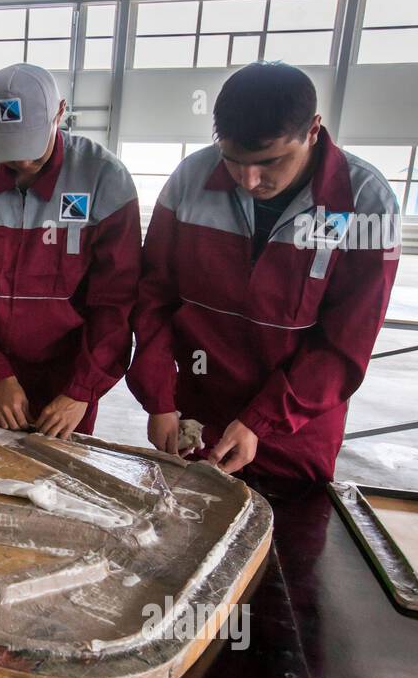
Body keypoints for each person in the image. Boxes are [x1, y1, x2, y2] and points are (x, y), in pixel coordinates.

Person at [127, 62, 401, 482]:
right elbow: (154, 297)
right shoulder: (189, 182)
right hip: (196, 415)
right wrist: (160, 398)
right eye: (234, 161)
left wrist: (262, 419)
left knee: (289, 538)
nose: (249, 179)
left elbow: (345, 343)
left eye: (270, 161)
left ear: (312, 130)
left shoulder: (365, 202)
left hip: (295, 430)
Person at [0, 63, 142, 440]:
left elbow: (115, 303)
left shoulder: (105, 182)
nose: (24, 163)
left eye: (33, 149)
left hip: (72, 378)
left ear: (60, 112)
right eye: (10, 152)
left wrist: (82, 391)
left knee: (57, 485)